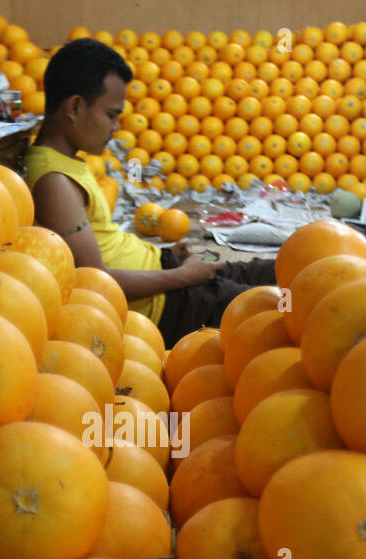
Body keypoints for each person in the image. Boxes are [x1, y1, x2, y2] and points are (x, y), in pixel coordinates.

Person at [24, 38, 276, 348]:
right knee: (276, 307)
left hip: (166, 271)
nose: (116, 127)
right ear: (75, 107)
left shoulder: (65, 163)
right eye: (111, 115)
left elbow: (105, 243)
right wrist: (186, 276)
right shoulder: (53, 181)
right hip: (167, 304)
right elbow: (97, 280)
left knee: (269, 270)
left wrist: (174, 257)